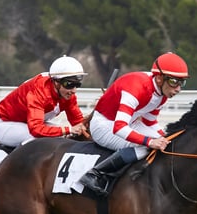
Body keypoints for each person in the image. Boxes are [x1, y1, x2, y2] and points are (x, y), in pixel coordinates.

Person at [78, 52, 189, 196]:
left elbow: (150, 122)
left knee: (167, 143)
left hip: (126, 123)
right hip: (104, 125)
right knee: (146, 147)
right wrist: (150, 141)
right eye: (174, 82)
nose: (178, 89)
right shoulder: (136, 87)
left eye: (182, 83)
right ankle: (94, 173)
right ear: (160, 78)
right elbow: (119, 127)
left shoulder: (162, 93)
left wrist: (167, 137)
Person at [0, 55, 88, 147]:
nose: (74, 90)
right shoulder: (39, 92)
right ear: (56, 82)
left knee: (62, 138)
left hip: (28, 124)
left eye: (77, 85)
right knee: (38, 140)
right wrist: (69, 129)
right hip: (6, 124)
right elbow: (36, 130)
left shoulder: (68, 94)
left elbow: (78, 123)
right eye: (69, 84)